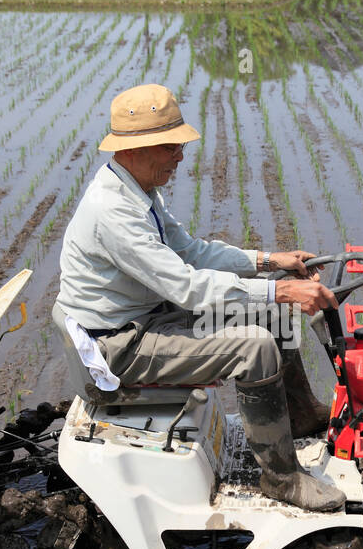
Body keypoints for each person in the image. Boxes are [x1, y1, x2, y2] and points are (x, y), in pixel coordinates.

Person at [54, 83, 345, 512]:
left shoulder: (138, 191)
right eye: (170, 146)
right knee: (256, 346)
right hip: (120, 346)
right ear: (133, 150)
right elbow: (187, 288)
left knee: (271, 315)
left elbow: (191, 252)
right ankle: (282, 480)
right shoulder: (113, 212)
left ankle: (299, 415)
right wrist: (282, 291)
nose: (180, 155)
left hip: (145, 317)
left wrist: (268, 262)